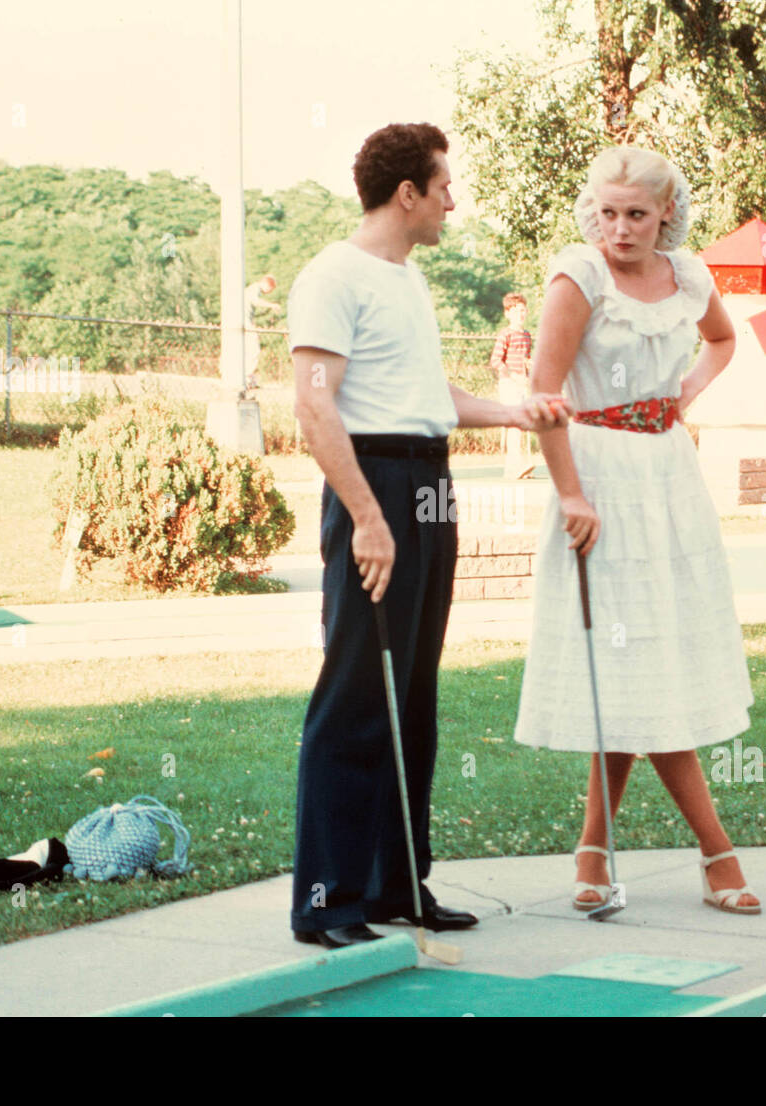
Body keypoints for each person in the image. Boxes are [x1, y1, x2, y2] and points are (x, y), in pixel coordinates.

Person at [288, 122, 572, 948]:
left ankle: (394, 885)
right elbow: (314, 404)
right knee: (355, 692)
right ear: (406, 192)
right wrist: (369, 519)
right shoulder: (330, 277)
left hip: (429, 481)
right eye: (444, 184)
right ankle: (327, 901)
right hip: (373, 484)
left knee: (412, 690)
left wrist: (514, 409)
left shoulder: (406, 281)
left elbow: (428, 394)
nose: (454, 197)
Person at [513, 145, 762, 915]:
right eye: (609, 212)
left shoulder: (687, 277)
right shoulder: (578, 278)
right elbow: (543, 395)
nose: (619, 228)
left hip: (667, 476)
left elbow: (724, 340)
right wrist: (571, 496)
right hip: (597, 479)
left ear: (666, 216)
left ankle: (593, 852)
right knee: (634, 666)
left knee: (643, 668)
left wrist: (680, 394)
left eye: (637, 214)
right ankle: (717, 852)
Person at [491, 292, 535, 478]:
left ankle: (519, 466)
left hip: (522, 383)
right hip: (509, 383)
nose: (521, 314)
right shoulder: (505, 334)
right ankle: (513, 467)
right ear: (508, 313)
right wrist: (512, 376)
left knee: (523, 423)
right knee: (514, 424)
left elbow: (526, 359)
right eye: (517, 311)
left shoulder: (526, 335)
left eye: (523, 310)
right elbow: (496, 361)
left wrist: (528, 370)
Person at [242, 274, 280, 393]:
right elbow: (255, 301)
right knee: (253, 349)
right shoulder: (255, 289)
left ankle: (248, 378)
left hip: (244, 321)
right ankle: (247, 377)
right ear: (268, 285)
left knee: (248, 350)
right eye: (270, 290)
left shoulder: (251, 289)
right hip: (245, 322)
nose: (269, 292)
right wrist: (272, 305)